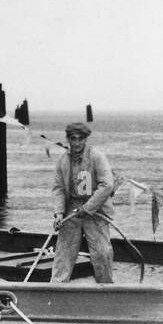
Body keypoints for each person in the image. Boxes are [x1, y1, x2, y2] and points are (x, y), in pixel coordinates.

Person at [50, 121, 116, 283]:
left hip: (96, 209)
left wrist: (88, 208)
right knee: (63, 253)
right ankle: (57, 290)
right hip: (72, 210)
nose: (77, 143)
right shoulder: (62, 161)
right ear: (68, 139)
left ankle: (106, 291)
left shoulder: (97, 157)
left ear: (86, 139)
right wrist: (59, 213)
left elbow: (107, 185)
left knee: (102, 253)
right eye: (73, 138)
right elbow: (58, 188)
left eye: (81, 138)